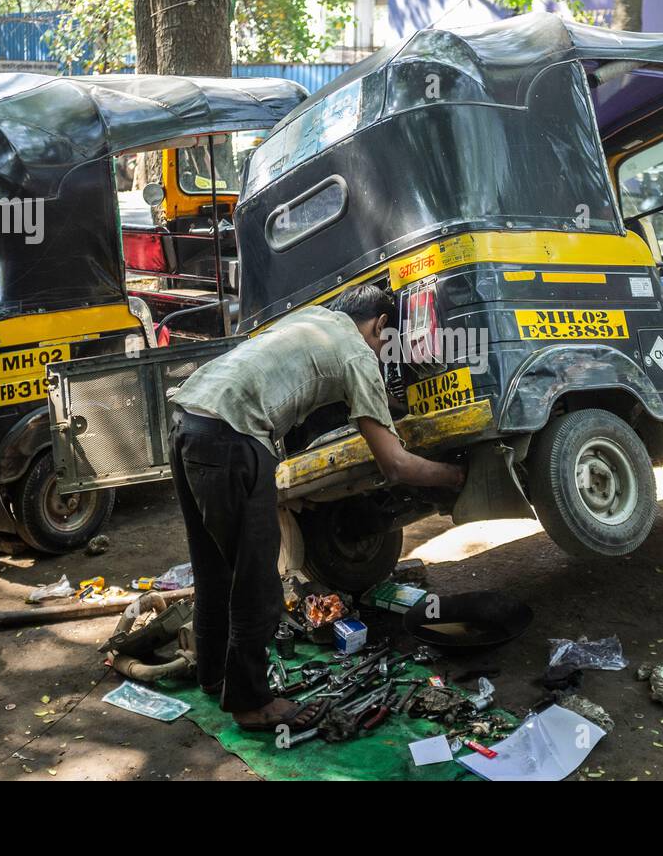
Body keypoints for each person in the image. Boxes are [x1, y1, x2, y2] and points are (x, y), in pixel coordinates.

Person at [167, 285, 465, 731]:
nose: (384, 354)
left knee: (213, 569)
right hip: (233, 438)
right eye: (389, 343)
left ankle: (214, 675)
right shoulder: (356, 354)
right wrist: (455, 477)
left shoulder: (309, 319)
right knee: (259, 583)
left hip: (188, 421)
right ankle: (251, 704)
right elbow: (395, 464)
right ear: (381, 326)